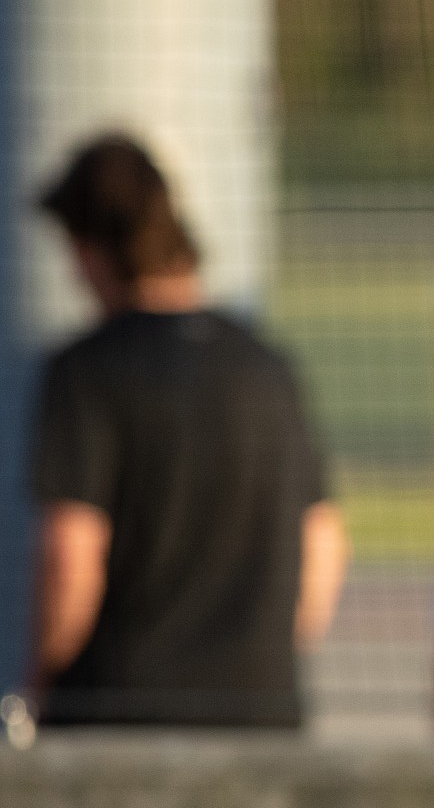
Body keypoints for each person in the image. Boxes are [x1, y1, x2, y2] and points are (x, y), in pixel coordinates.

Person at [30, 133, 347, 727]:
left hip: (120, 723)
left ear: (94, 253)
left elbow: (71, 555)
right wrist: (261, 658)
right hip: (262, 719)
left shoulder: (87, 372)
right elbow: (323, 544)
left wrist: (43, 684)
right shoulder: (269, 369)